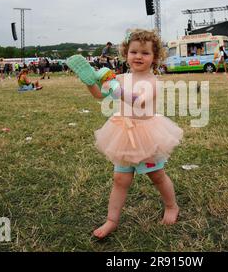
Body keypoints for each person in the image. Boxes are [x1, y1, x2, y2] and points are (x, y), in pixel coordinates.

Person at [66, 29, 183, 239]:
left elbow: (139, 100)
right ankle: (111, 220)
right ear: (126, 53)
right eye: (133, 51)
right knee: (120, 179)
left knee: (157, 176)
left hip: (147, 135)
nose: (138, 56)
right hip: (122, 133)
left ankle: (172, 206)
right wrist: (90, 81)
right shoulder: (120, 77)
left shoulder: (153, 81)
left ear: (155, 57)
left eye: (145, 53)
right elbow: (100, 96)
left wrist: (117, 90)